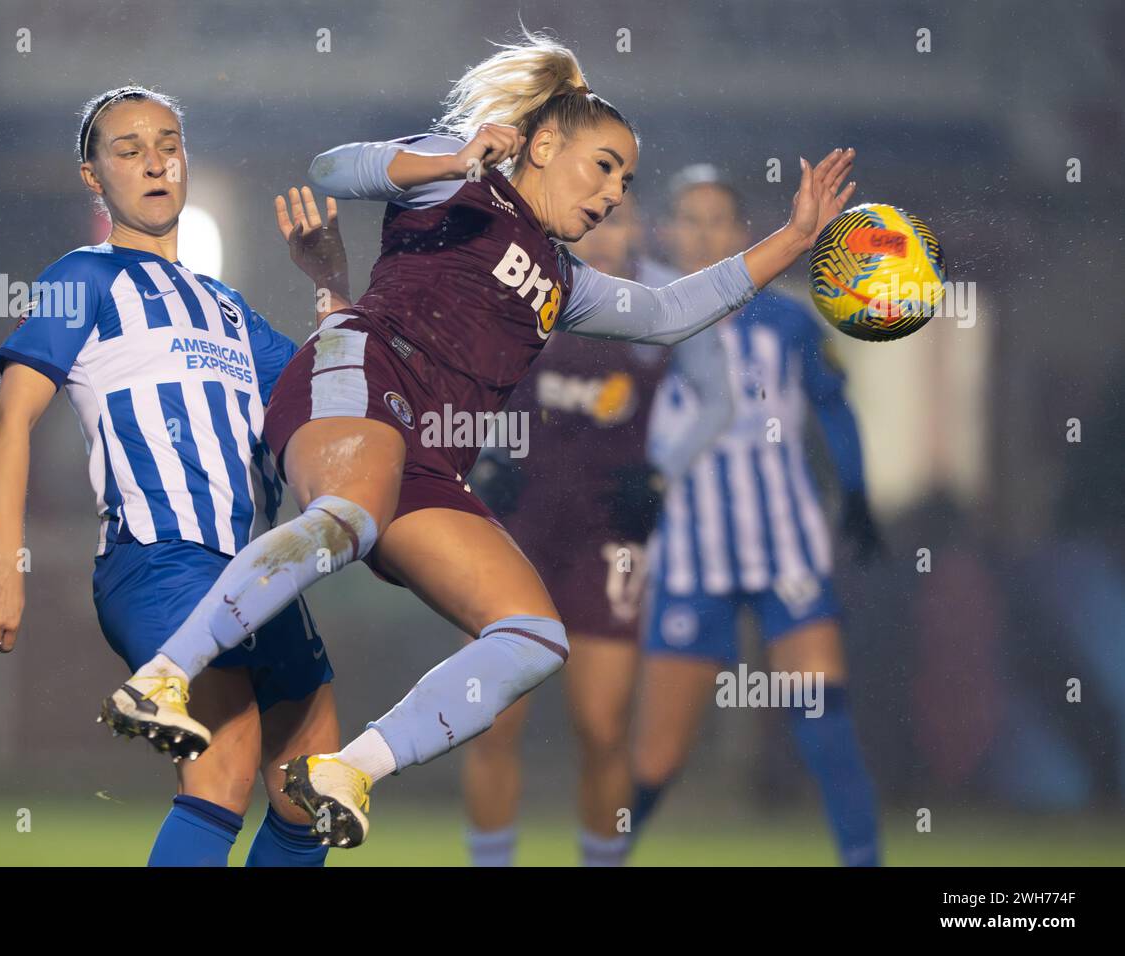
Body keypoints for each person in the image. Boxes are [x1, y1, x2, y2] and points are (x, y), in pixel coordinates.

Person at [102, 30, 856, 851]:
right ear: (542, 142)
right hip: (358, 381)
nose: (614, 192)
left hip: (425, 459)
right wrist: (450, 160)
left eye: (628, 179)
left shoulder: (564, 279)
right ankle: (165, 677)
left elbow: (672, 314)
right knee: (350, 515)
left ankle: (345, 771)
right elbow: (333, 168)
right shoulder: (461, 179)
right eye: (603, 164)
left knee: (534, 636)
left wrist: (794, 239)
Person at [0, 86, 345, 866]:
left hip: (258, 568)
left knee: (312, 784)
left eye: (167, 144)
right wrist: (6, 564)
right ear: (92, 176)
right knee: (227, 760)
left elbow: (333, 396)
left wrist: (332, 283)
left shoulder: (232, 311)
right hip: (161, 558)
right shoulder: (85, 276)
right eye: (128, 149)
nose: (154, 162)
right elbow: (8, 420)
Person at [459, 194, 731, 866]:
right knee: (491, 721)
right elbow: (462, 377)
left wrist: (662, 473)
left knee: (604, 729)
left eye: (627, 218)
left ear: (643, 230)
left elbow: (719, 397)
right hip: (517, 526)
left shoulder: (667, 302)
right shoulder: (522, 285)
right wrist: (482, 454)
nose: (610, 232)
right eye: (599, 216)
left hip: (611, 532)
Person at [630, 164, 883, 865]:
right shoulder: (638, 317)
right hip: (689, 551)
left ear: (744, 231)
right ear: (663, 231)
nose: (704, 230)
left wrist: (857, 492)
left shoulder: (788, 320)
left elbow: (832, 406)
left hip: (786, 548)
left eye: (719, 217)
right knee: (656, 757)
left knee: (823, 714)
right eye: (690, 216)